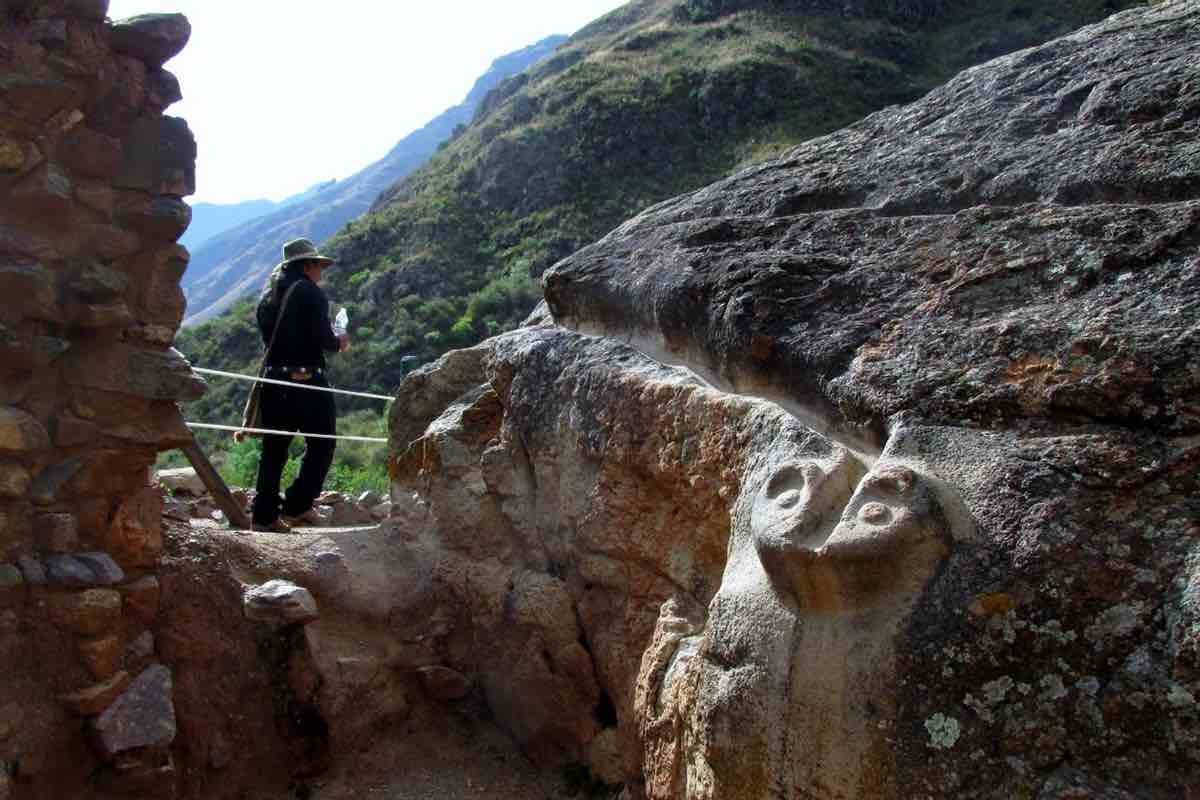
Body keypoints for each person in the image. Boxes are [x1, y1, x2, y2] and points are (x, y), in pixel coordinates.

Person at [249, 238, 350, 533]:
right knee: (322, 443)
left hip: (273, 379)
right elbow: (326, 341)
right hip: (308, 380)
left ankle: (264, 515)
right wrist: (340, 339)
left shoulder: (268, 296)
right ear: (307, 265)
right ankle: (297, 504)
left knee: (274, 449)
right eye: (319, 265)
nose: (321, 271)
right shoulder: (310, 293)